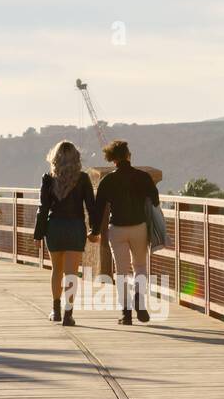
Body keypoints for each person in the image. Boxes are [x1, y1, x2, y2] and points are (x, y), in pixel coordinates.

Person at [94, 139, 160, 325]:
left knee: (122, 272)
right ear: (128, 156)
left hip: (117, 229)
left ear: (112, 159)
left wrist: (94, 231)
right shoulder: (143, 177)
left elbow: (99, 208)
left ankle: (126, 314)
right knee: (139, 266)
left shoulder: (108, 180)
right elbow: (155, 200)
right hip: (139, 227)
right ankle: (140, 299)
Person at [34, 141, 98, 326]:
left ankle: (55, 311)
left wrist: (38, 234)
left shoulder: (48, 179)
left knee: (57, 271)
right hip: (75, 227)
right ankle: (68, 314)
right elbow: (91, 207)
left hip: (54, 227)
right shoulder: (83, 178)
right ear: (76, 157)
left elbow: (43, 208)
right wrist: (95, 229)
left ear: (55, 158)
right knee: (71, 273)